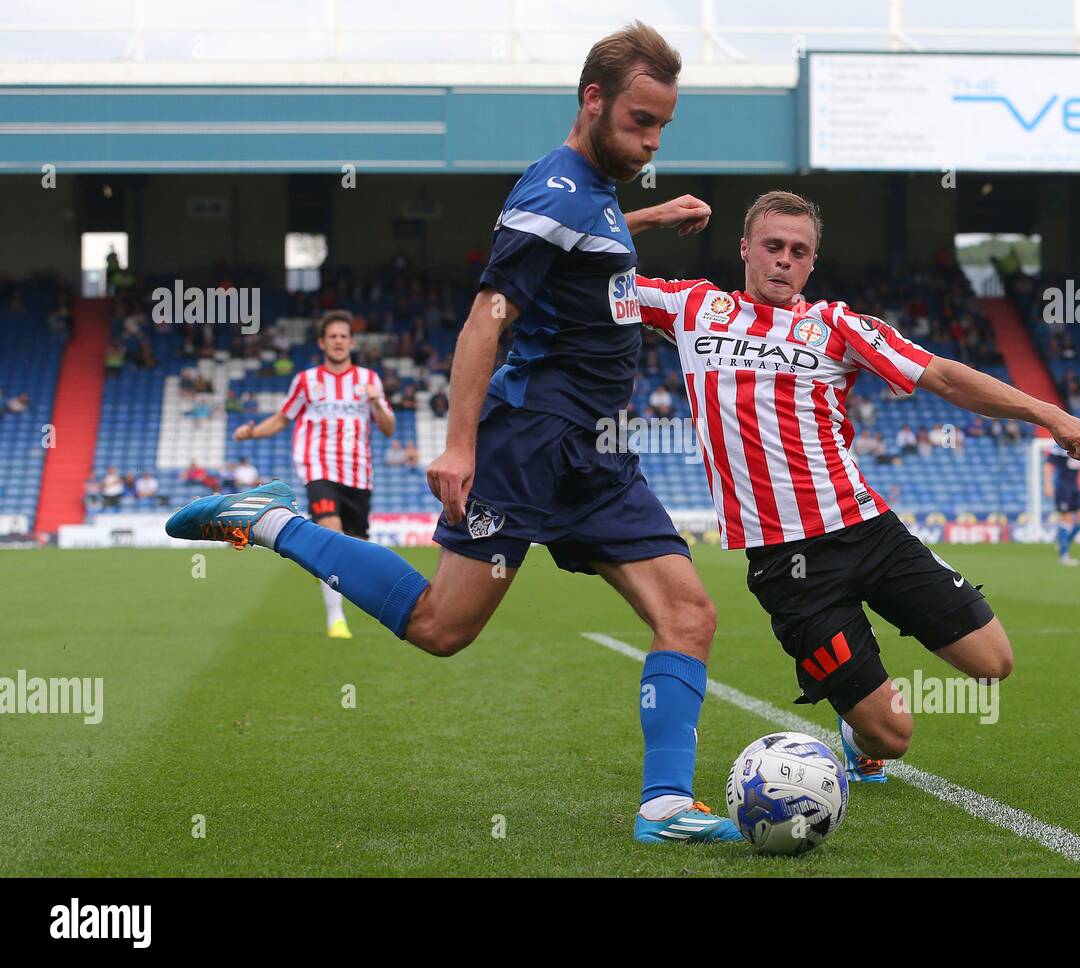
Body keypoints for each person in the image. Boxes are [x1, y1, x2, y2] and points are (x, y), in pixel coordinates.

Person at [166, 22, 739, 846]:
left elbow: (584, 245)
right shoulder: (555, 191)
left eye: (662, 127)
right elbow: (486, 318)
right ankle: (273, 521)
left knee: (689, 615)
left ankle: (664, 808)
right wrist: (461, 442)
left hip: (600, 453)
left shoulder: (598, 188)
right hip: (531, 442)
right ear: (593, 100)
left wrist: (647, 214)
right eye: (639, 122)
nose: (650, 141)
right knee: (442, 627)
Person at [634, 190, 1080, 783]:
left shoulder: (836, 325)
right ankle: (859, 725)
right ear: (745, 248)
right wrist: (649, 216)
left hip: (869, 532)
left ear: (812, 262)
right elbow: (576, 258)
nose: (784, 260)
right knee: (893, 737)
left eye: (799, 252)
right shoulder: (691, 307)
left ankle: (866, 662)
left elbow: (945, 378)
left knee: (993, 663)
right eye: (772, 246)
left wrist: (1049, 415)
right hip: (790, 566)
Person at [229, 311, 396, 637]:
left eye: (343, 336)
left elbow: (389, 428)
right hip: (319, 469)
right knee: (331, 536)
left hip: (358, 474)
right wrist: (252, 432)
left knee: (355, 548)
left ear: (351, 341)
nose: (337, 341)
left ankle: (341, 591)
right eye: (331, 336)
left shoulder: (368, 380)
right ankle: (336, 618)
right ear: (322, 342)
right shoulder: (306, 381)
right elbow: (281, 418)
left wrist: (376, 403)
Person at [1045, 442, 1080, 565]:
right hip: (1062, 486)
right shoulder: (1060, 445)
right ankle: (1064, 555)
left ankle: (1063, 543)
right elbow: (1048, 464)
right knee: (1067, 519)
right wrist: (1048, 484)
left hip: (1074, 485)